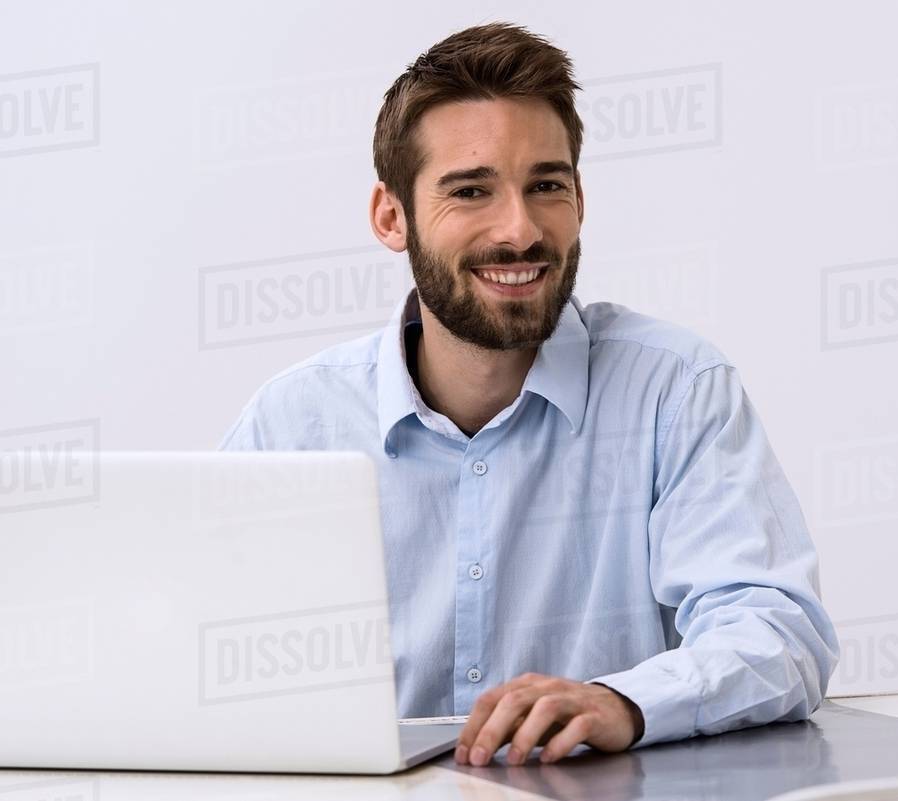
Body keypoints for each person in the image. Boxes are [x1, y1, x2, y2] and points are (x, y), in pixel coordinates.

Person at [219, 21, 839, 768]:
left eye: (545, 185)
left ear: (578, 198)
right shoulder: (293, 426)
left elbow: (777, 632)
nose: (519, 230)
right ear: (392, 216)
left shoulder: (673, 391)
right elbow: (200, 668)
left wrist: (624, 700)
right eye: (471, 190)